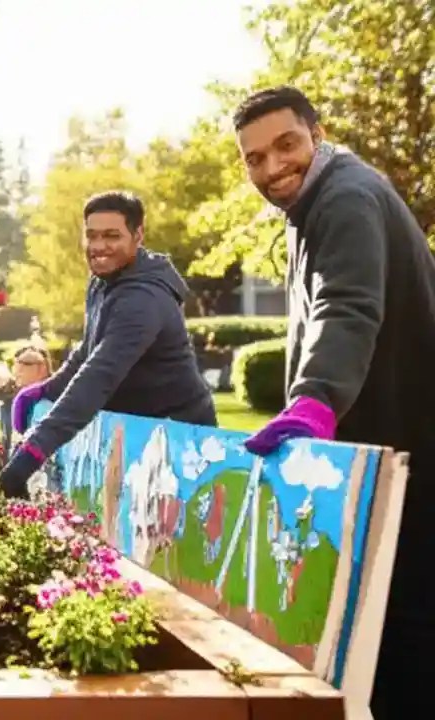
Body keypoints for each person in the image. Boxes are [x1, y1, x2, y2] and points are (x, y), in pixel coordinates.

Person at [228, 86, 435, 720]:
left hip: (409, 454)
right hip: (384, 454)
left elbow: (347, 307)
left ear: (316, 134)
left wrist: (315, 402)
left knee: (402, 635)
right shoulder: (316, 203)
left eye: (285, 144)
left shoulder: (344, 197)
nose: (272, 167)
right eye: (254, 158)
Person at [0, 190, 216, 495]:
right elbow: (89, 350)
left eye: (112, 236)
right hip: (140, 434)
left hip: (180, 439)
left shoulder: (143, 299)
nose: (99, 246)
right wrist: (46, 390)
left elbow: (98, 376)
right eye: (91, 235)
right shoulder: (104, 279)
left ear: (137, 234)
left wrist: (32, 453)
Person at [0, 343, 53, 444]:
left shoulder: (50, 399)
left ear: (42, 368)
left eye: (24, 364)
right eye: (16, 364)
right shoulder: (12, 393)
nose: (17, 370)